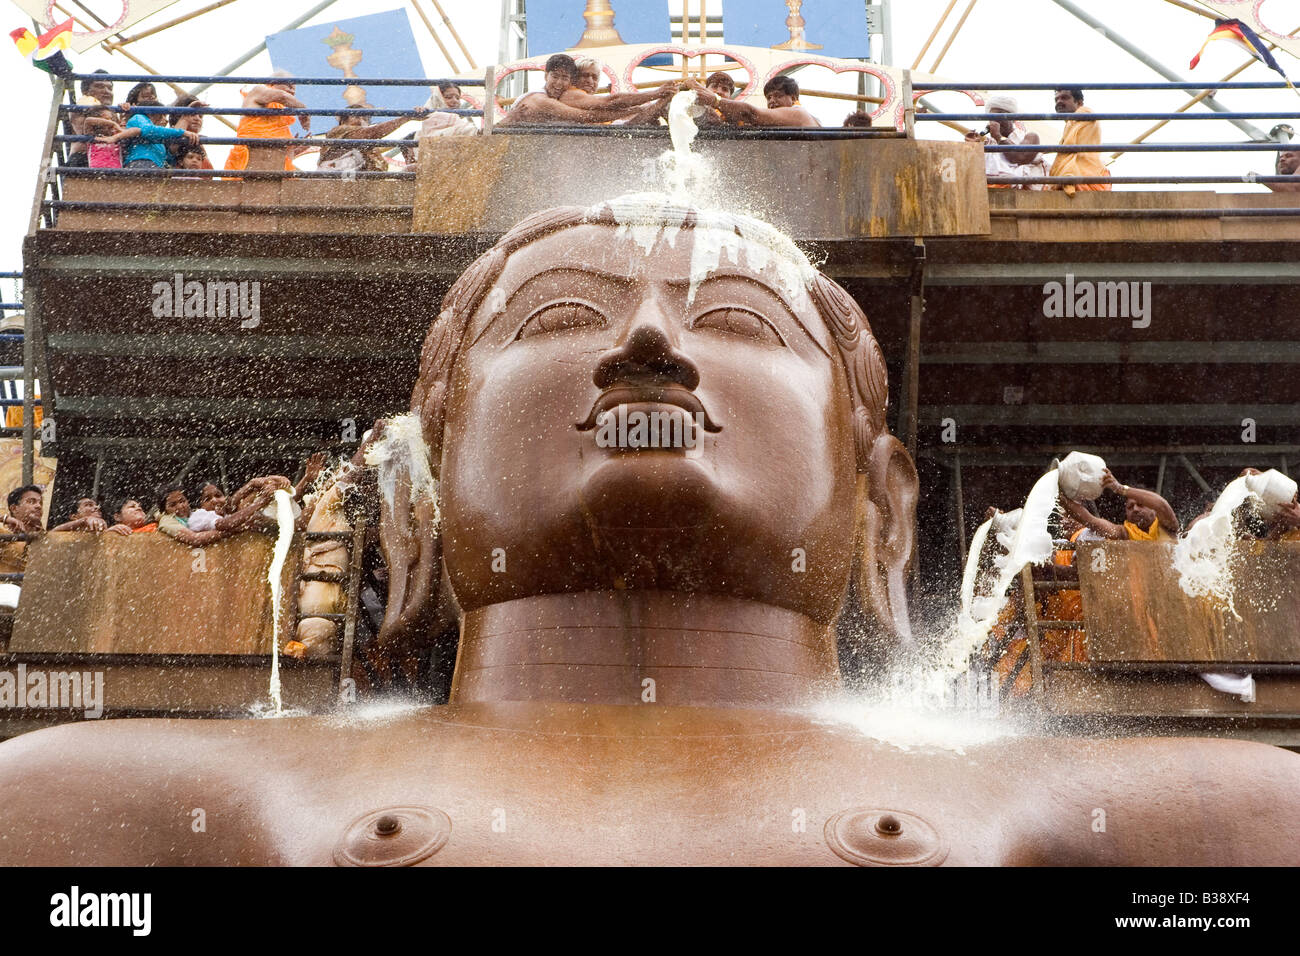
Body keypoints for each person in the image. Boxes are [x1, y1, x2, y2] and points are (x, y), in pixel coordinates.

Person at [498, 53, 669, 126]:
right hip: (518, 148)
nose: (558, 83)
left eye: (594, 77)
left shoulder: (558, 96)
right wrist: (654, 95)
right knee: (655, 107)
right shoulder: (563, 96)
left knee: (656, 109)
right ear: (545, 76)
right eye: (585, 76)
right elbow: (595, 111)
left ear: (570, 79)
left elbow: (608, 104)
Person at [224, 71, 310, 173]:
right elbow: (282, 96)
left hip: (271, 166)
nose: (292, 91)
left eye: (294, 90)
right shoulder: (259, 90)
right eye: (289, 86)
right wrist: (303, 109)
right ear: (273, 83)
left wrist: (292, 151)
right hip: (251, 155)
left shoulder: (281, 115)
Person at [1060, 468, 1179, 540]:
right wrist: (1062, 498)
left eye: (1141, 504)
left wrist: (1120, 489)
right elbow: (1091, 521)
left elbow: (1162, 505)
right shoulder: (1124, 533)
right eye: (1130, 507)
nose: (1135, 509)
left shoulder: (1167, 526)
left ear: (1153, 510)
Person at [964, 95, 1047, 189]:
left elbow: (1020, 157)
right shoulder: (988, 144)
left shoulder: (1030, 137)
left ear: (1013, 118)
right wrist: (973, 147)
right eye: (992, 117)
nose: (995, 120)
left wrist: (999, 137)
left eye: (1000, 115)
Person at [319, 105, 430, 172]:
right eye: (357, 116)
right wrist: (406, 117)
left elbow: (380, 171)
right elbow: (371, 133)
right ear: (343, 121)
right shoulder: (338, 131)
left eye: (365, 118)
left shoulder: (372, 148)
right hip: (334, 182)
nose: (361, 120)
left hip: (360, 190)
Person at [117, 82, 198, 169]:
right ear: (152, 114)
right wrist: (182, 132)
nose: (165, 120)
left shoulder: (159, 134)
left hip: (156, 167)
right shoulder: (138, 117)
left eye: (153, 96)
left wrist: (186, 116)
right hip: (141, 163)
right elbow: (149, 130)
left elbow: (168, 156)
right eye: (161, 116)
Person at [1046, 88, 1111, 194]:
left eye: (1065, 98)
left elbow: (1068, 150)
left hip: (1085, 177)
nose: (1059, 102)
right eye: (1056, 99)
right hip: (1083, 177)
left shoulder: (1084, 112)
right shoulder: (1071, 123)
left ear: (1079, 102)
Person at [694, 75, 821, 128]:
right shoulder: (777, 122)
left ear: (793, 98)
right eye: (769, 98)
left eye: (778, 96)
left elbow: (750, 114)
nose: (772, 101)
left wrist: (714, 100)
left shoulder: (799, 114)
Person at [64, 70, 114, 169]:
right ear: (86, 92)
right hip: (83, 158)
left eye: (110, 88)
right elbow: (87, 131)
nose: (106, 91)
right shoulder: (78, 108)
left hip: (110, 160)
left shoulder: (115, 112)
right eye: (100, 86)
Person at [0, 485, 43, 574]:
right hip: (9, 585)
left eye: (40, 503)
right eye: (31, 502)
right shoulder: (4, 531)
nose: (38, 506)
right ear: (14, 508)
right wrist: (4, 518)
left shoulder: (43, 534)